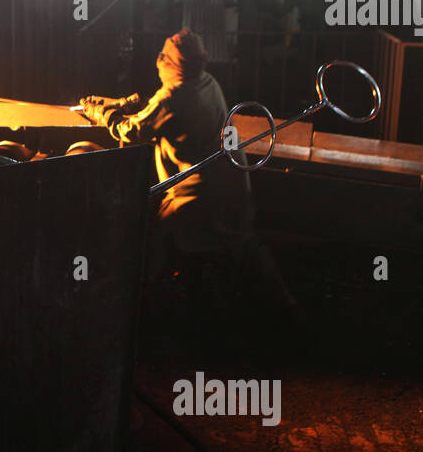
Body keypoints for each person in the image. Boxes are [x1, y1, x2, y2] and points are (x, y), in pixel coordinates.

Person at [80, 29, 297, 319]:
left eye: (163, 56)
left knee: (149, 242)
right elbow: (167, 113)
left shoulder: (173, 95)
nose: (158, 61)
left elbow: (132, 131)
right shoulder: (207, 82)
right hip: (233, 185)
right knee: (244, 248)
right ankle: (288, 311)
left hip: (198, 197)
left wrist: (103, 114)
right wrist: (126, 105)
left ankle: (139, 313)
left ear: (171, 62)